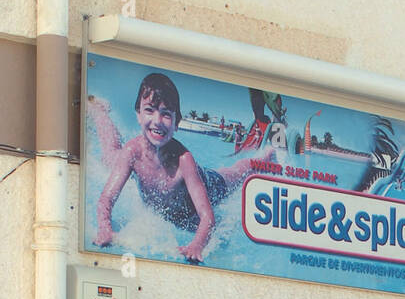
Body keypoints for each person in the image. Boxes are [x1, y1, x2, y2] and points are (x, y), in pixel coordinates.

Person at [90, 73, 274, 263]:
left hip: (209, 185)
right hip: (165, 200)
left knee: (233, 174)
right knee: (109, 157)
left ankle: (264, 158)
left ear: (177, 123)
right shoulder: (132, 152)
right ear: (138, 115)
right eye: (150, 110)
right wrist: (105, 228)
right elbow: (106, 200)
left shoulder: (184, 161)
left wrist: (197, 245)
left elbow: (207, 217)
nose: (157, 120)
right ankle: (99, 111)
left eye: (166, 114)